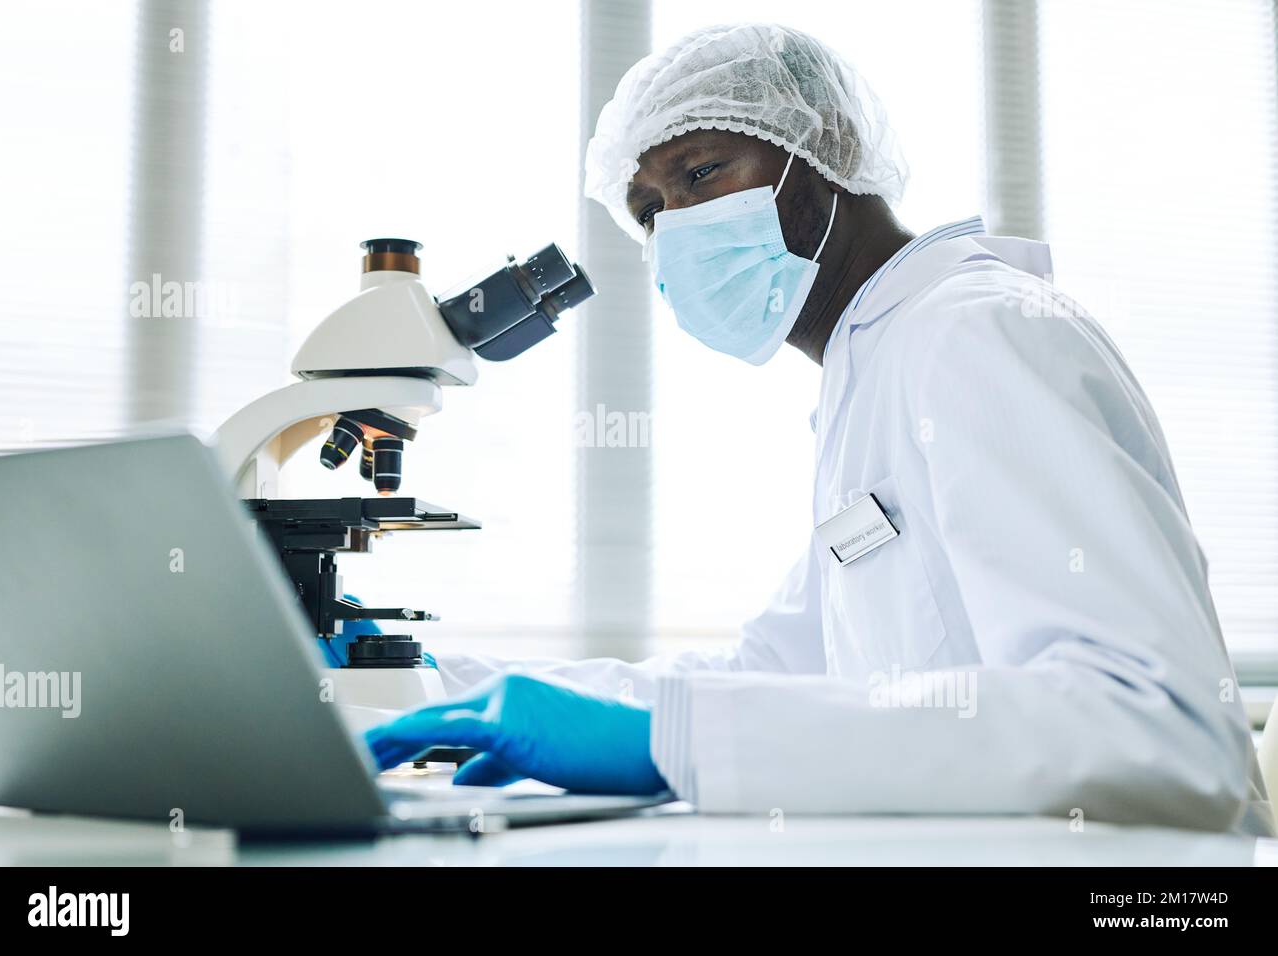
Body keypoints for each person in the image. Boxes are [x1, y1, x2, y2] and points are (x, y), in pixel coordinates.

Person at [364, 22, 1274, 834]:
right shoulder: (870, 375)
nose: (676, 228)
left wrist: (675, 746)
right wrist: (437, 680)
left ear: (827, 146)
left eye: (702, 173)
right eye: (648, 212)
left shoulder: (973, 332)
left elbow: (1156, 728)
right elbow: (779, 671)